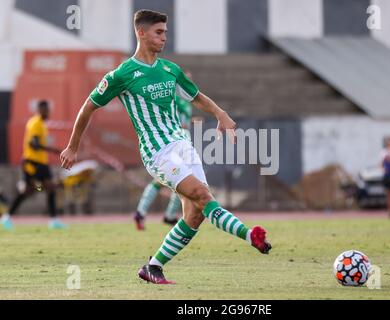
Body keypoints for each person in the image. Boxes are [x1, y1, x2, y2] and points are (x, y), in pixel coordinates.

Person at [60, 9, 272, 285]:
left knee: (195, 214)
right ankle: (250, 235)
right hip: (157, 153)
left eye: (166, 32)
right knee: (201, 195)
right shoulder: (121, 75)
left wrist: (221, 115)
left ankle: (153, 267)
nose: (164, 38)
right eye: (159, 32)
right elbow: (88, 107)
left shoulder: (170, 69)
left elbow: (196, 96)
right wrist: (72, 147)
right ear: (141, 32)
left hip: (183, 146)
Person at [134, 75, 194, 230]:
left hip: (181, 139)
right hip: (176, 140)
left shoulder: (186, 101)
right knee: (181, 178)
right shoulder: (171, 97)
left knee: (174, 179)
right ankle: (166, 214)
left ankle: (148, 213)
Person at [1, 100, 67, 230]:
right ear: (40, 110)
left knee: (44, 189)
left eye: (48, 110)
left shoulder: (41, 123)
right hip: (33, 163)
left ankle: (53, 220)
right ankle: (7, 217)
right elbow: (33, 144)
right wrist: (53, 150)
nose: (48, 112)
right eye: (46, 110)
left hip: (41, 163)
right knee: (35, 190)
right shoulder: (36, 123)